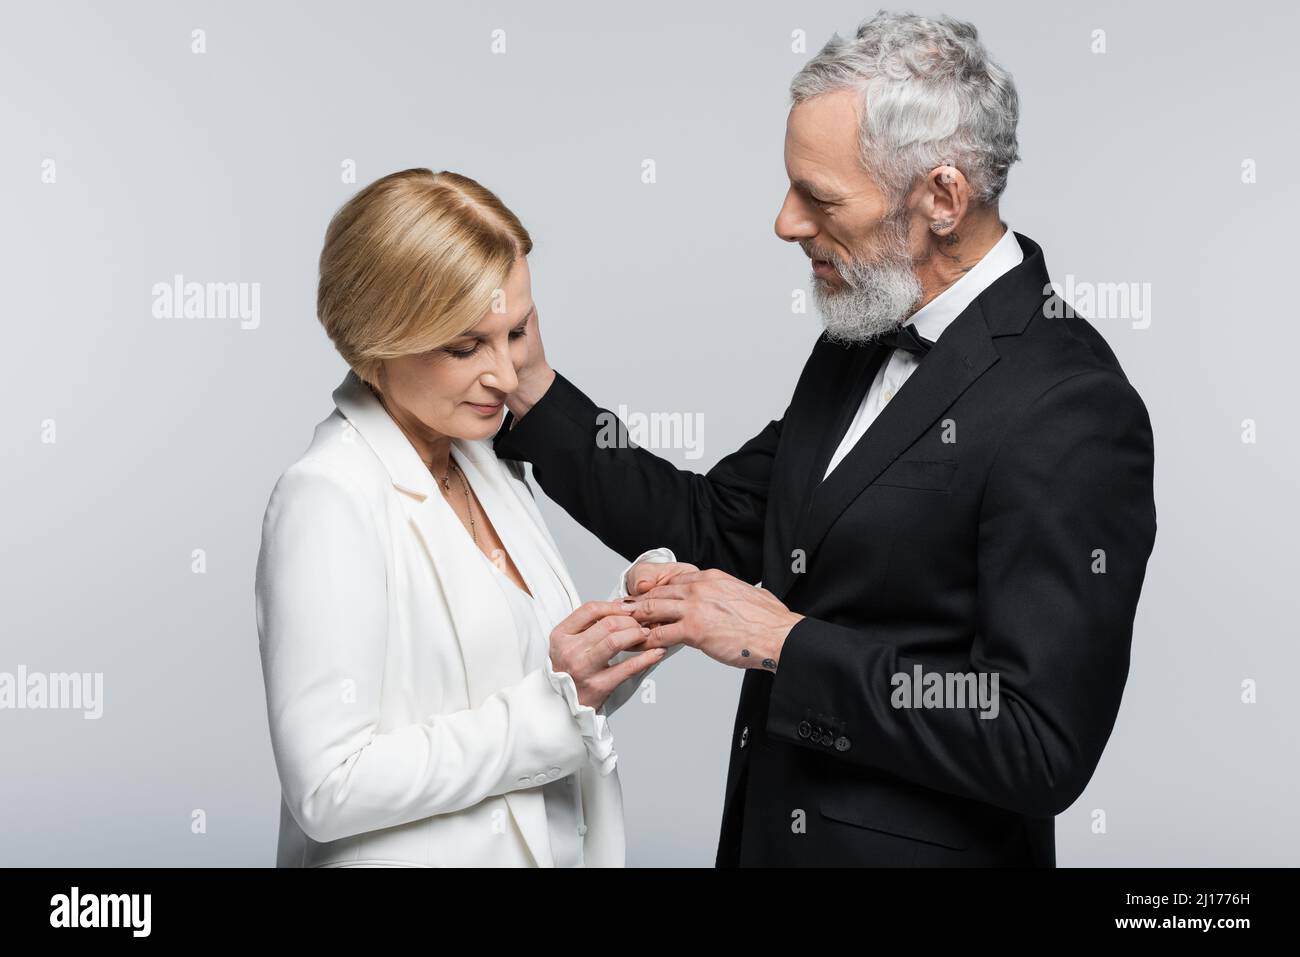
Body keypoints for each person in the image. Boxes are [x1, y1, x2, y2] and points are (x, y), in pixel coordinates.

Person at [492, 13, 1157, 866]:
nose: (785, 222)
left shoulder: (1074, 408)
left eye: (820, 196)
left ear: (943, 199)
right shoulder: (862, 331)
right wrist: (533, 388)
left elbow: (1036, 738)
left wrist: (784, 643)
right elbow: (713, 523)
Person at [254, 168, 679, 867]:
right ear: (378, 338)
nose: (509, 377)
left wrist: (627, 632)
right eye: (465, 346)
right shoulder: (328, 495)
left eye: (514, 332)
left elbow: (527, 691)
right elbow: (328, 786)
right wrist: (559, 703)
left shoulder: (488, 462)